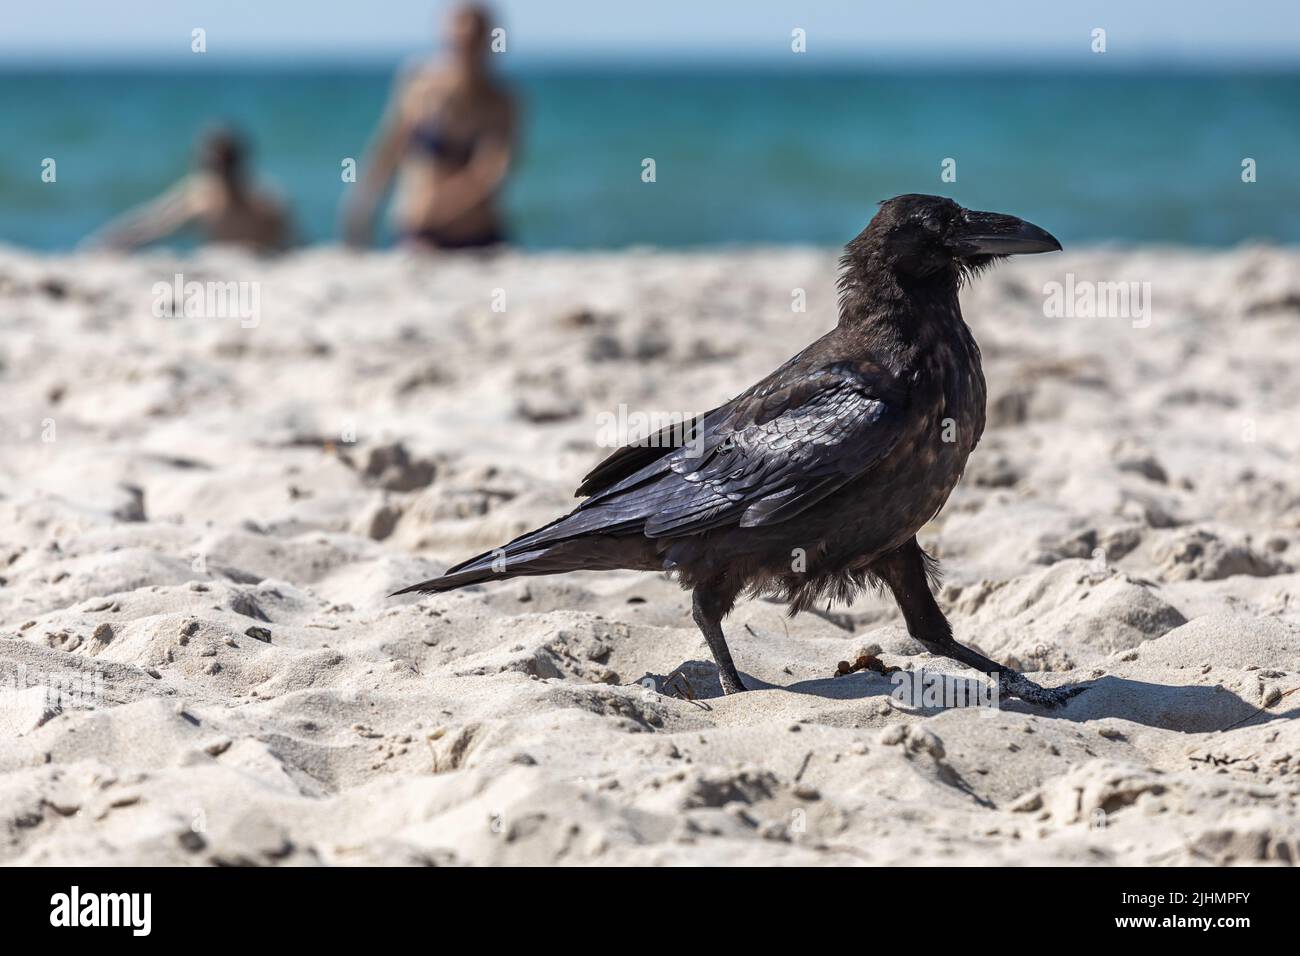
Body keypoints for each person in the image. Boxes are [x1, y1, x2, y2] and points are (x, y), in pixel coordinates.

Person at [344, 3, 516, 251]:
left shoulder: (501, 102)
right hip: (418, 232)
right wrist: (362, 205)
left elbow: (491, 174)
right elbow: (389, 147)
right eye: (459, 35)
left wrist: (436, 208)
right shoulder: (418, 84)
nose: (465, 44)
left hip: (477, 232)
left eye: (474, 37)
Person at [86, 127, 292, 253]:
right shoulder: (207, 197)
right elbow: (149, 226)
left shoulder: (264, 201)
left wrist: (106, 243)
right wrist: (110, 242)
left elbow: (152, 225)